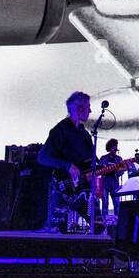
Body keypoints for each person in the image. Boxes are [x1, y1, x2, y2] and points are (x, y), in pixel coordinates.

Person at [38, 91, 96, 230]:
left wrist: (114, 167)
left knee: (97, 225)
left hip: (83, 191)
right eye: (88, 107)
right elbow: (42, 157)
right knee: (54, 230)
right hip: (63, 189)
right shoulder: (60, 130)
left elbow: (90, 162)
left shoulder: (84, 133)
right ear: (79, 109)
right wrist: (68, 165)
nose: (90, 110)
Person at [97, 139, 127, 217]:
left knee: (117, 204)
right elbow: (99, 170)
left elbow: (122, 170)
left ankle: (117, 221)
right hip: (105, 183)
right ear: (110, 148)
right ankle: (104, 222)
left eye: (116, 147)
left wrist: (116, 173)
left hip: (114, 183)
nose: (115, 149)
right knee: (105, 203)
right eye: (113, 147)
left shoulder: (119, 159)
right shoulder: (103, 158)